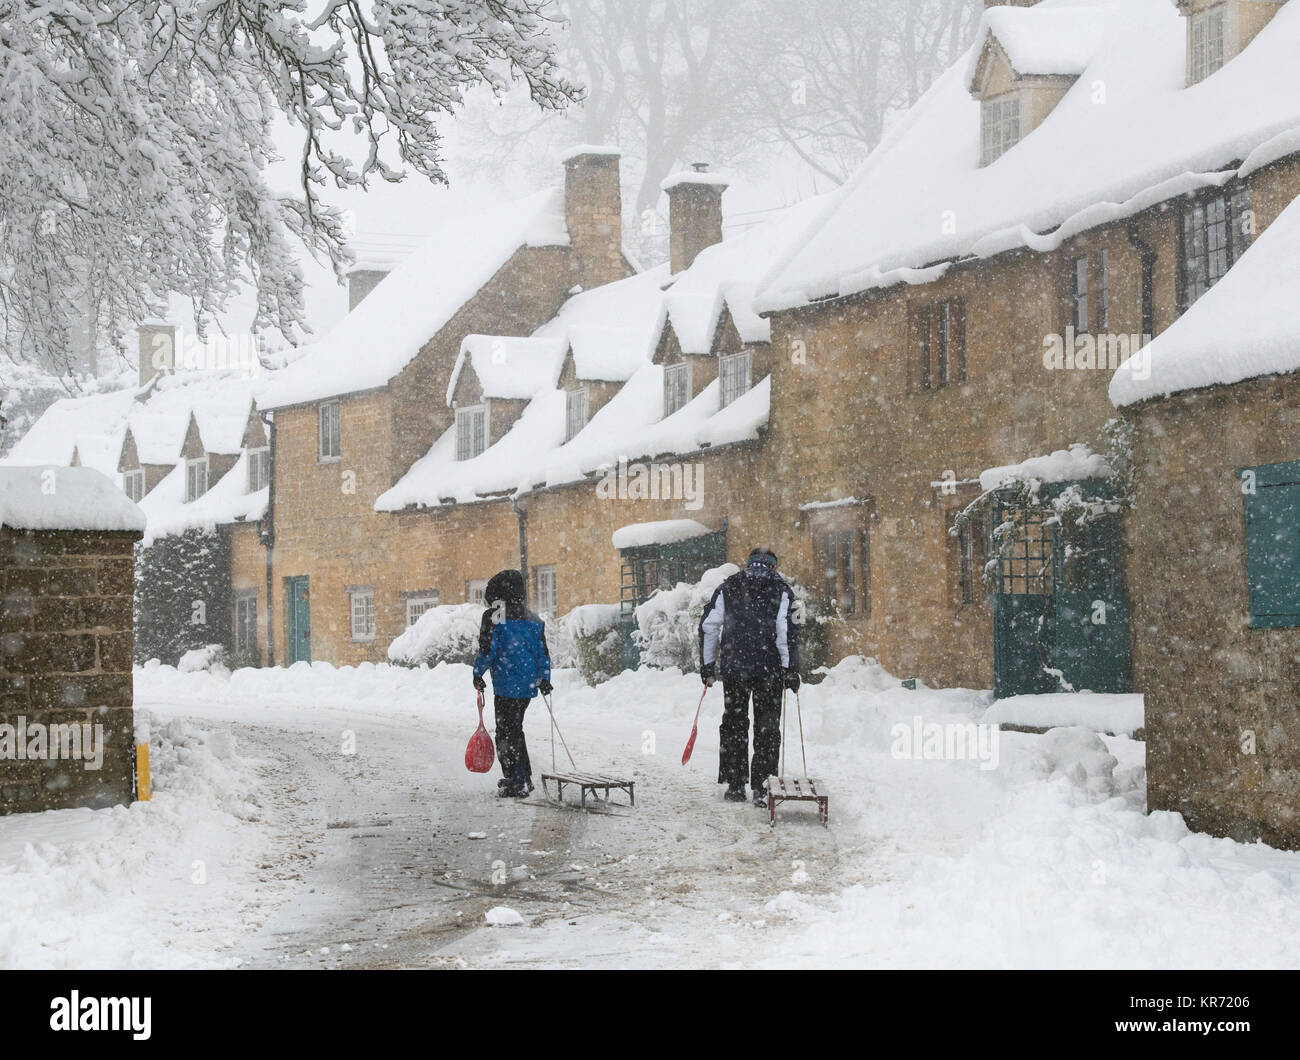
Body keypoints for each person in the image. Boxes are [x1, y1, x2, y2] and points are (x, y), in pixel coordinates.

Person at [698, 547, 801, 806]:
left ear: (748, 564)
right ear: (773, 567)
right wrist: (789, 670)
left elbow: (710, 626)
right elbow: (784, 630)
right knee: (767, 728)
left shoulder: (729, 587)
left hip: (735, 668)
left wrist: (708, 665)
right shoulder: (782, 590)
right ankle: (763, 787)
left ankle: (735, 784)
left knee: (734, 723)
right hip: (769, 669)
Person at [471, 569, 552, 798]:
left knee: (506, 733)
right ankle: (523, 776)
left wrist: (478, 673)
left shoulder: (495, 616)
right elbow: (541, 652)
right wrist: (544, 678)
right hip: (526, 686)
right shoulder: (533, 619)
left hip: (506, 684)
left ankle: (517, 780)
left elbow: (488, 649)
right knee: (515, 729)